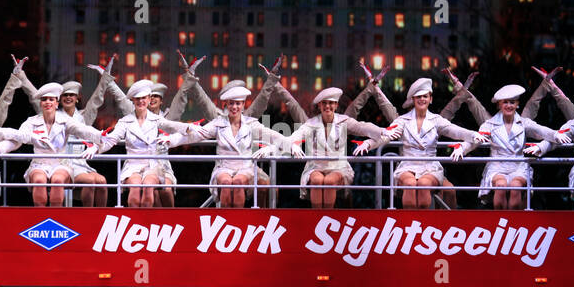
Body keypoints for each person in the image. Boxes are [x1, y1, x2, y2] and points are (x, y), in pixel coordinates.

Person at [170, 81, 301, 207]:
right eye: (231, 103)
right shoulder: (218, 123)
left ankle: (239, 223)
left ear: (243, 105)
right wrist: (171, 140)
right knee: (226, 183)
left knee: (238, 182)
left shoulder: (251, 124)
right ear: (226, 104)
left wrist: (291, 145)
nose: (234, 107)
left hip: (245, 169)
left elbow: (275, 137)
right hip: (224, 168)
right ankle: (226, 223)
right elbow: (194, 135)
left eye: (238, 104)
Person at [368, 77, 480, 209]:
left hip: (430, 167)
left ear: (430, 99)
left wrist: (474, 135)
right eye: (418, 96)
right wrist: (368, 143)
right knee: (410, 184)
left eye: (425, 96)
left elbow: (456, 131)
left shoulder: (437, 120)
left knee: (424, 184)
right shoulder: (402, 120)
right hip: (408, 166)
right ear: (413, 100)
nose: (422, 99)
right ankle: (409, 226)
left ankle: (429, 225)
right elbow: (386, 135)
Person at [456, 84, 569, 209]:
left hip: (518, 166)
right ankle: (501, 223)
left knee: (516, 186)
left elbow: (541, 130)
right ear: (499, 104)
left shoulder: (524, 123)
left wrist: (555, 135)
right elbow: (476, 140)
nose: (509, 105)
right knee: (500, 186)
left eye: (512, 102)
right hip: (497, 166)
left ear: (517, 104)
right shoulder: (489, 124)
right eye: (505, 102)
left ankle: (513, 224)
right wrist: (462, 147)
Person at [0, 82, 108, 207]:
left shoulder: (65, 121)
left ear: (56, 103)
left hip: (60, 164)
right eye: (44, 99)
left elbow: (83, 130)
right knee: (39, 181)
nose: (48, 102)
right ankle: (41, 218)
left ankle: (56, 220)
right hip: (39, 163)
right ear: (40, 103)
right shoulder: (31, 122)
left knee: (58, 180)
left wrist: (99, 135)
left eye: (51, 99)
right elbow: (17, 139)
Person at [94, 79, 197, 207]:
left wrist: (188, 127)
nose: (141, 101)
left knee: (149, 188)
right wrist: (96, 148)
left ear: (148, 99)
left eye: (144, 98)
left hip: (153, 165)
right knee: (135, 191)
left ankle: (149, 224)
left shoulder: (156, 119)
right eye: (137, 98)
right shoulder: (124, 122)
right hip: (133, 166)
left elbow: (171, 125)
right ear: (133, 100)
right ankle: (134, 224)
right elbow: (111, 139)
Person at [285, 87, 387, 207]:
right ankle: (317, 219)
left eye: (331, 103)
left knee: (329, 181)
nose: (327, 106)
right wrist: (292, 144)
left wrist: (382, 132)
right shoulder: (310, 124)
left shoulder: (344, 121)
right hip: (316, 166)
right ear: (319, 105)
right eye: (324, 103)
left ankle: (327, 218)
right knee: (317, 181)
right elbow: (294, 136)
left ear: (336, 105)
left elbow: (362, 127)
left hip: (339, 167)